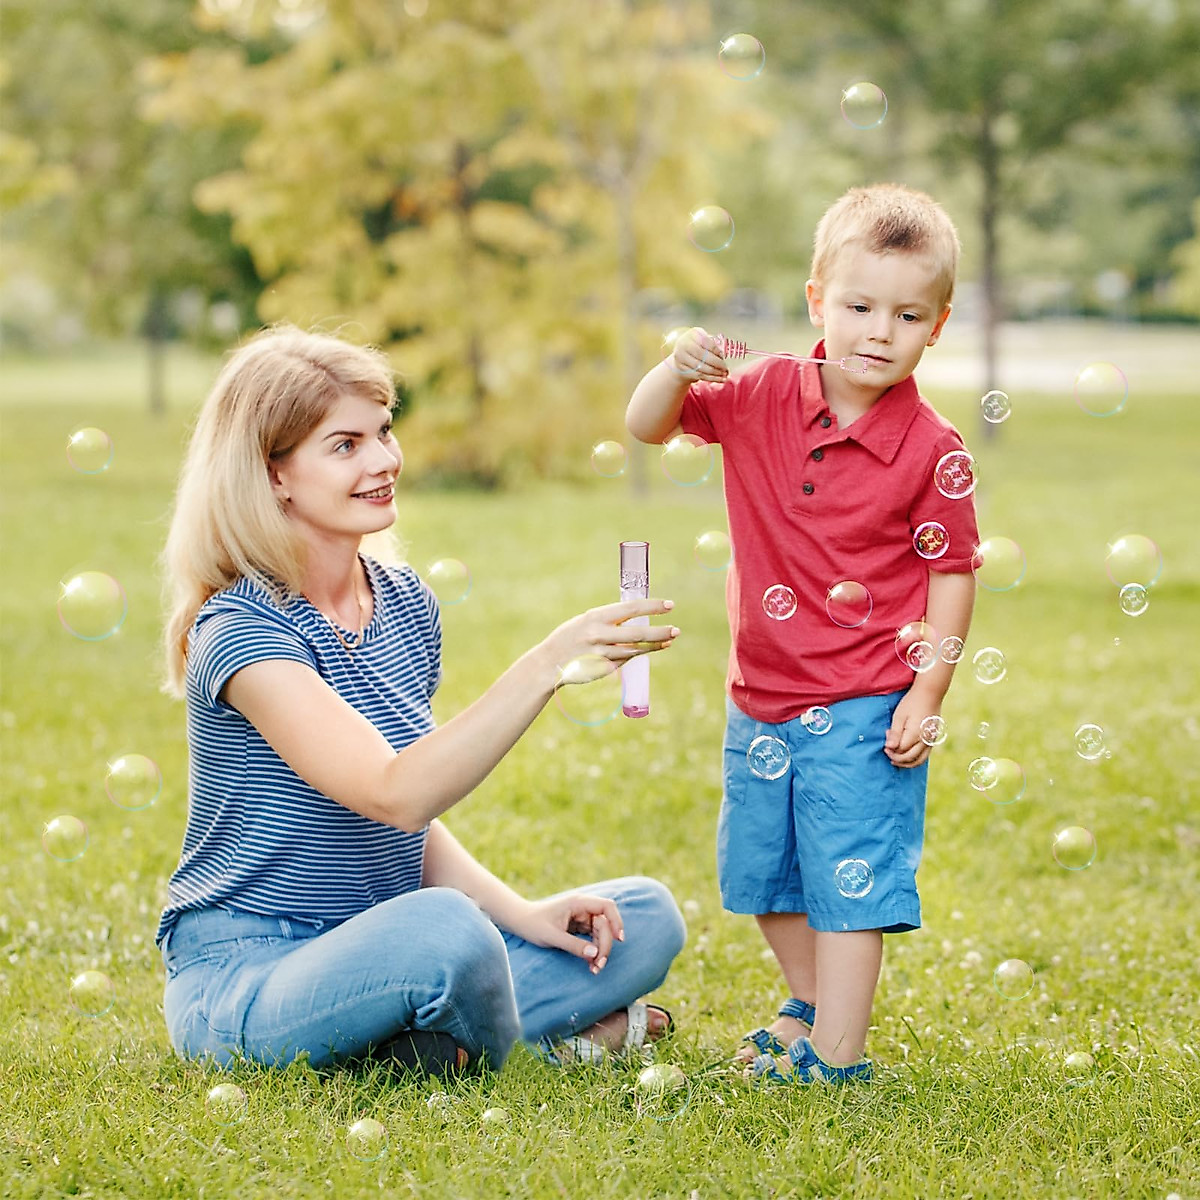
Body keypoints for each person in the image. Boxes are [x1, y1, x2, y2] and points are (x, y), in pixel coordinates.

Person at [156, 325, 686, 1076]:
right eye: (345, 445)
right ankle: (535, 1045)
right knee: (447, 932)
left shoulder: (404, 604)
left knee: (645, 917)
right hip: (253, 971)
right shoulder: (242, 629)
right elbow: (395, 794)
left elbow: (404, 831)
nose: (382, 460)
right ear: (274, 476)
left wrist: (523, 914)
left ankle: (427, 1045)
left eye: (383, 430)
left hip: (388, 942)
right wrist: (545, 664)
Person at [625, 184, 979, 1084]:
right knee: (763, 874)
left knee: (848, 881)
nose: (879, 332)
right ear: (818, 300)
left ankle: (838, 1055)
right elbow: (646, 424)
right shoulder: (759, 393)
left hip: (865, 701)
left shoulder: (932, 447)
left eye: (907, 315)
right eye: (859, 307)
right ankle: (810, 1003)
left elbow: (951, 572)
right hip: (762, 693)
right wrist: (676, 368)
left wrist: (928, 690)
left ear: (936, 326)